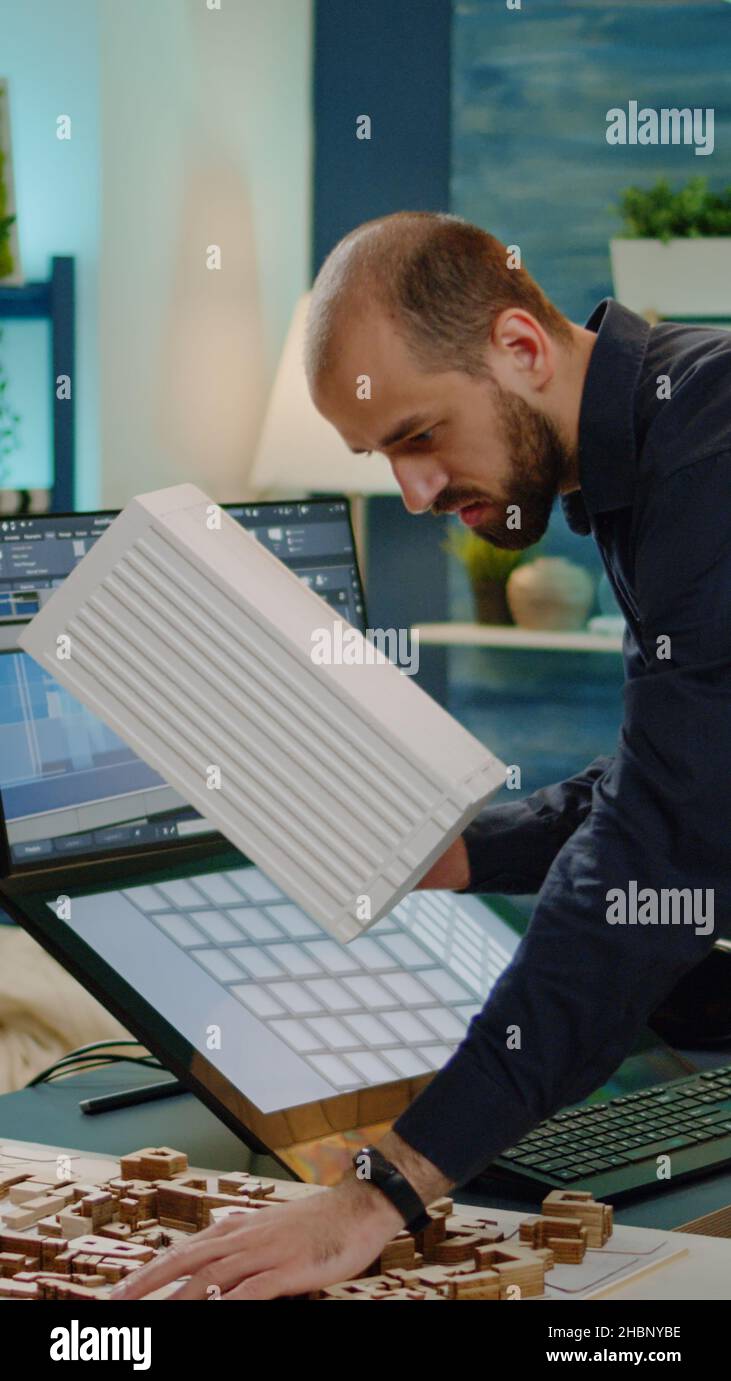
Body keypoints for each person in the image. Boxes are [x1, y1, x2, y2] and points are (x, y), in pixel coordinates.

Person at [113, 211, 731, 1301]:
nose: (414, 493)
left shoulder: (710, 454)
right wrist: (460, 854)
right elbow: (682, 774)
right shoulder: (664, 445)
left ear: (520, 350)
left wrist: (377, 1191)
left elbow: (657, 854)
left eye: (415, 436)